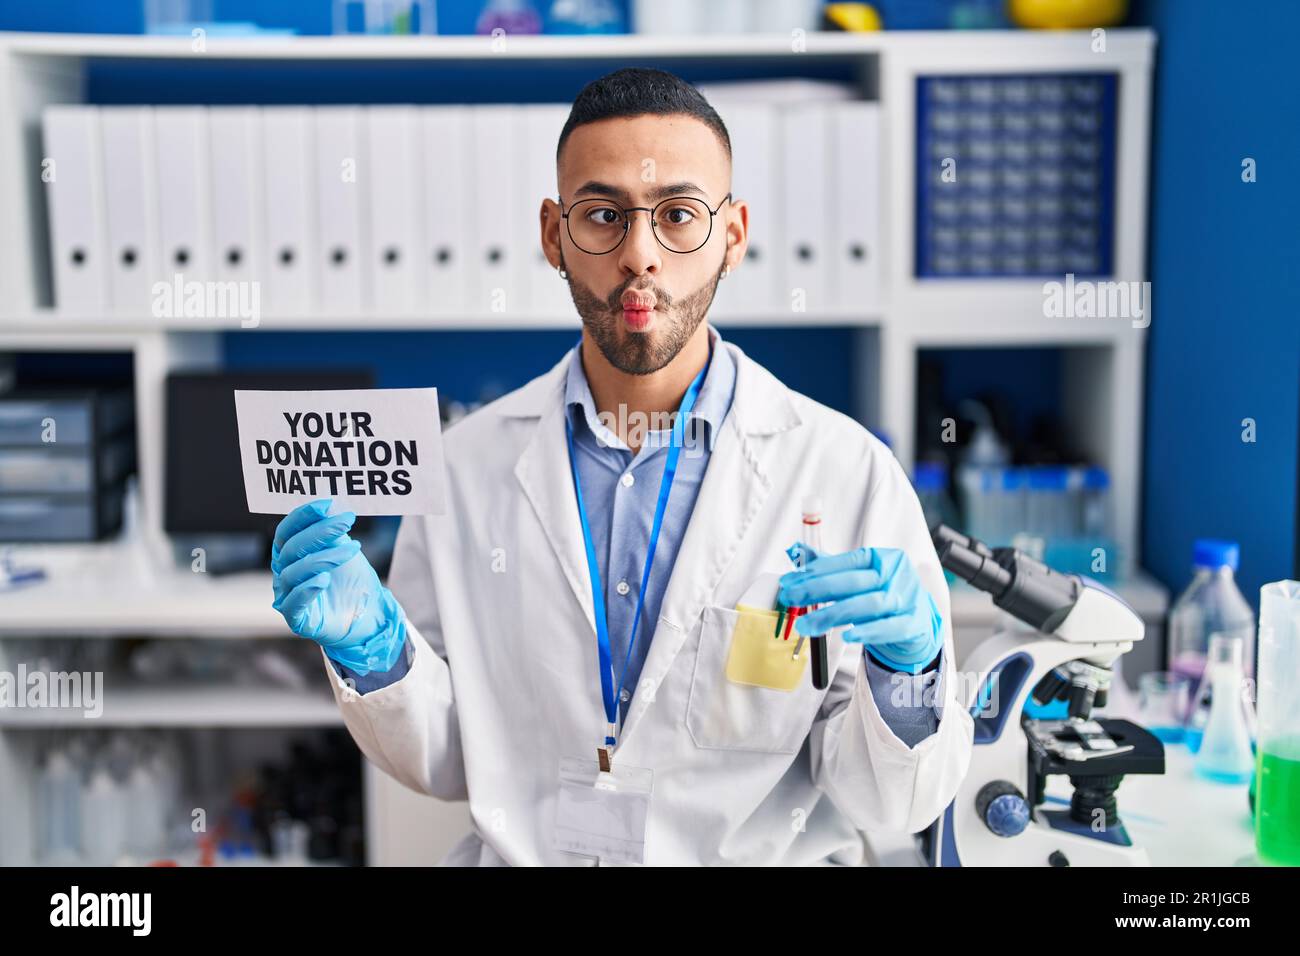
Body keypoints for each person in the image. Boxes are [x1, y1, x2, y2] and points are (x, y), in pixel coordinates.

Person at [270, 67, 973, 865]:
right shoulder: (466, 467)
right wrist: (377, 652)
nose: (640, 255)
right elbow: (450, 753)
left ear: (733, 236)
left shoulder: (845, 472)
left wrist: (907, 680)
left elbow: (885, 800)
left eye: (678, 215)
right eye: (603, 215)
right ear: (553, 236)